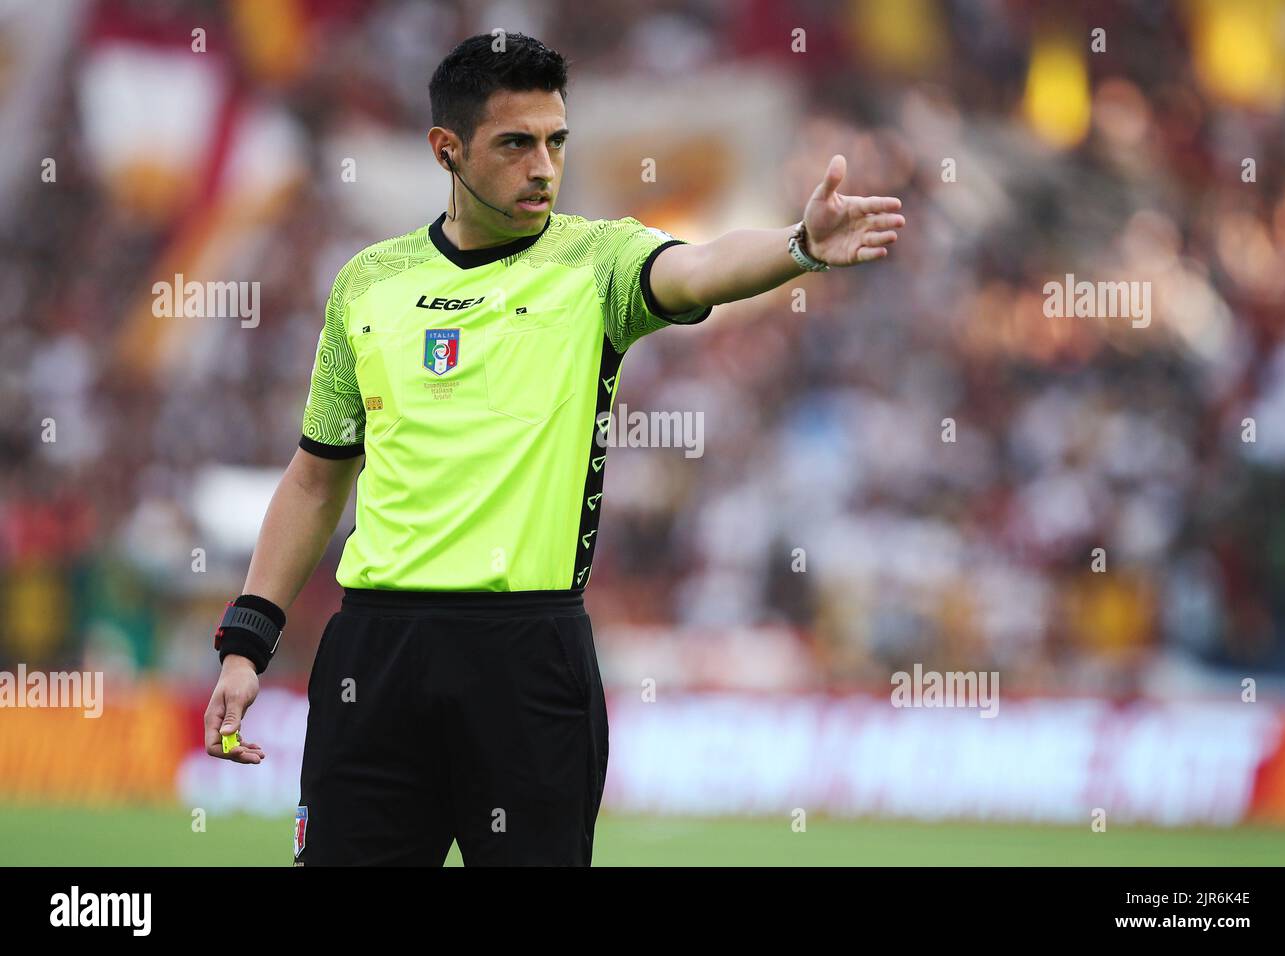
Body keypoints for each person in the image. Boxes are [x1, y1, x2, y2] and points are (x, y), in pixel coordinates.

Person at [201, 31, 905, 866]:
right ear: (447, 150)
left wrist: (795, 247)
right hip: (374, 655)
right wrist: (247, 644)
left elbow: (702, 267)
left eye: (555, 142)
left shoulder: (596, 261)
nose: (543, 165)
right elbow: (317, 481)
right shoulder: (368, 283)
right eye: (515, 143)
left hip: (527, 658)